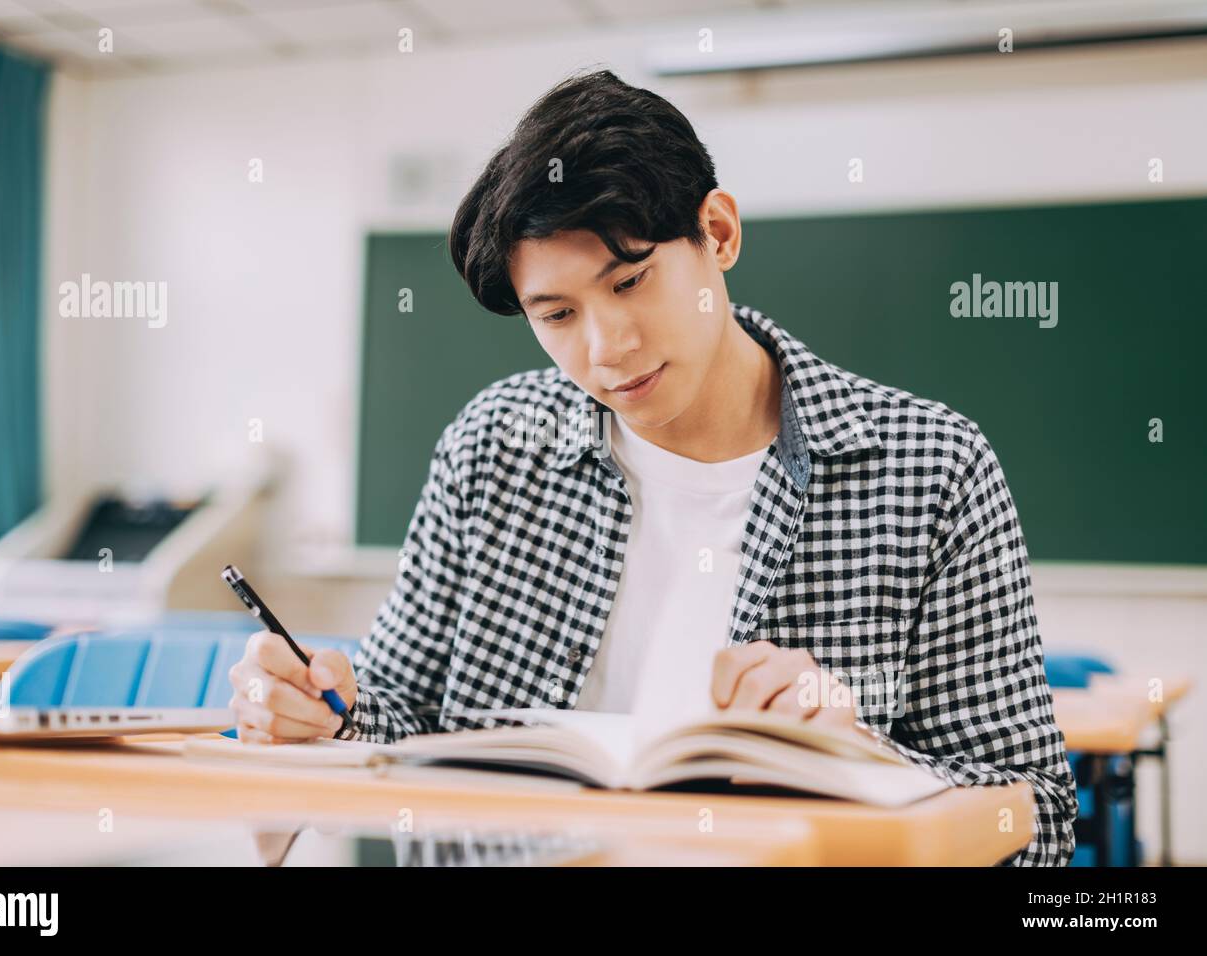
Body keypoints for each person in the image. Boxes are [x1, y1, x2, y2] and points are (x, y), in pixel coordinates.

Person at [228, 68, 1076, 866]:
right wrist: (319, 711)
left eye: (630, 282)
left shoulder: (930, 469)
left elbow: (1033, 819)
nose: (606, 349)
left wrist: (857, 758)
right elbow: (396, 712)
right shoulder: (492, 447)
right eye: (556, 315)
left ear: (717, 233)